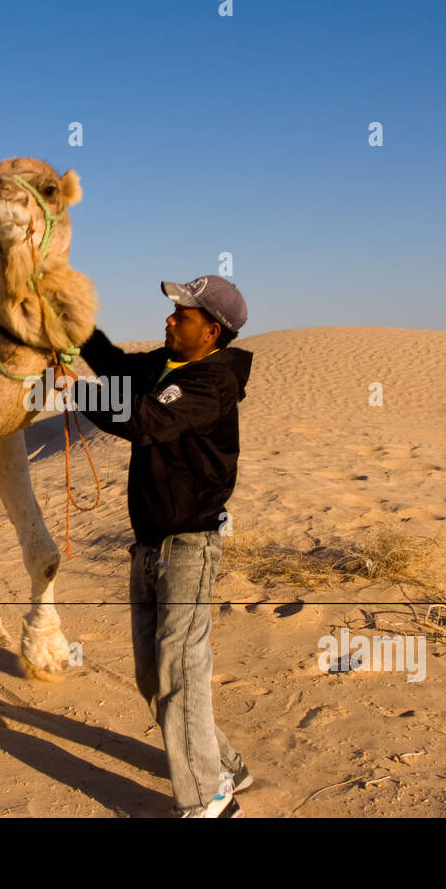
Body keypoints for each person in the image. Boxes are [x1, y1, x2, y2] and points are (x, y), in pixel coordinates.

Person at [78, 276, 254, 818]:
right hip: (148, 545)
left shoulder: (210, 381)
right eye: (173, 310)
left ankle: (208, 800)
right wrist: (73, 326)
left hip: (189, 547)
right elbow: (112, 366)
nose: (170, 319)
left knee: (180, 673)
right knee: (153, 678)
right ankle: (226, 765)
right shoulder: (165, 365)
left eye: (183, 314)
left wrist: (73, 393)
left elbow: (142, 420)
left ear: (212, 330)